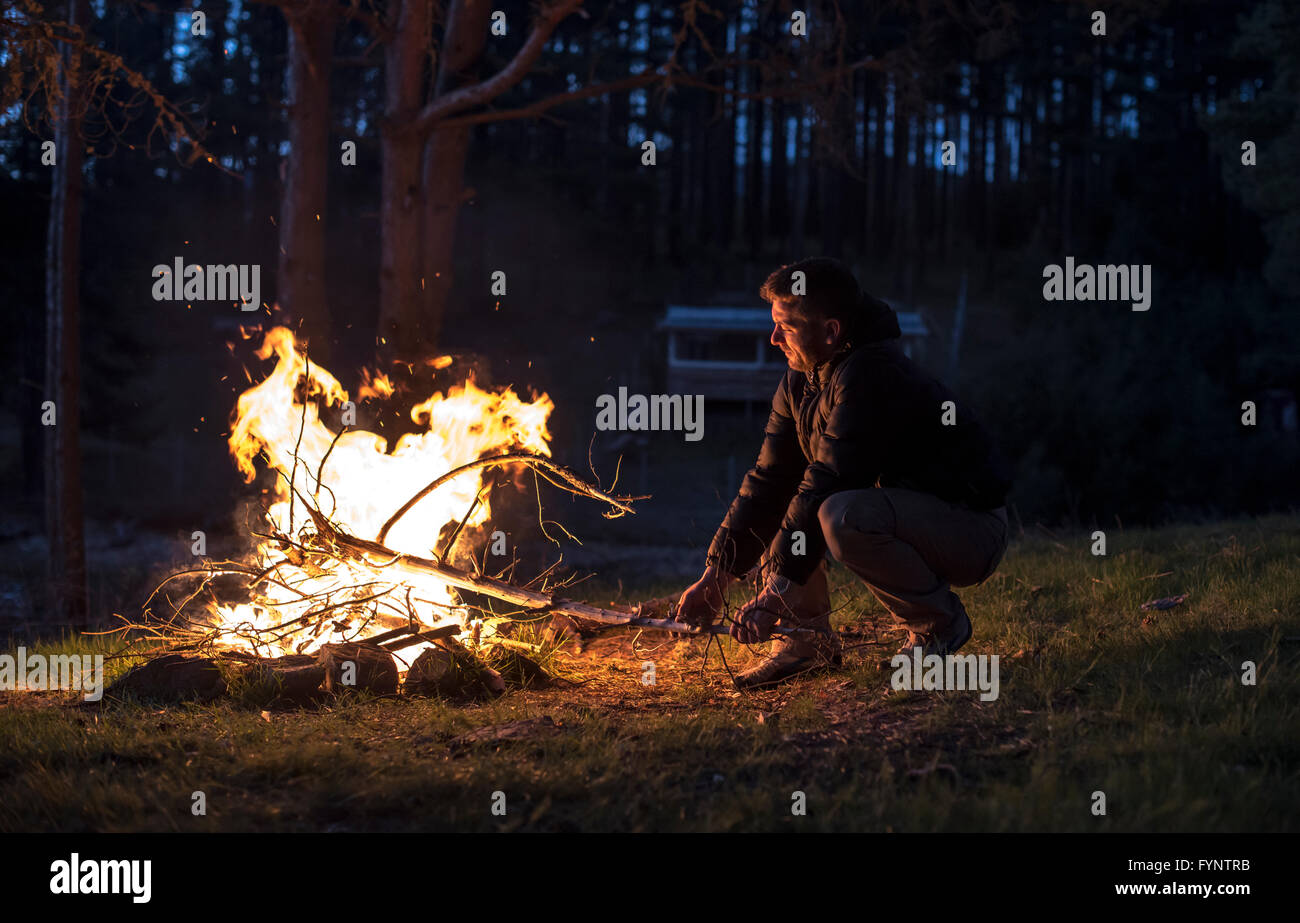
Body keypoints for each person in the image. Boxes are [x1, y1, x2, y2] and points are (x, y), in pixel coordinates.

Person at [676, 257, 1013, 689]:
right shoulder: (803, 380)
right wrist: (714, 577)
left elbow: (830, 481)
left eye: (787, 327)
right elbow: (767, 483)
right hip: (909, 516)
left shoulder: (873, 374)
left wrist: (772, 597)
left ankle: (938, 626)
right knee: (790, 503)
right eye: (774, 323)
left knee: (840, 513)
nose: (774, 337)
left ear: (831, 331)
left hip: (970, 529)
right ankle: (805, 644)